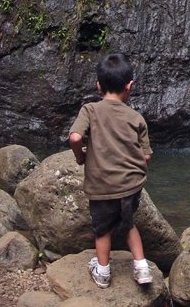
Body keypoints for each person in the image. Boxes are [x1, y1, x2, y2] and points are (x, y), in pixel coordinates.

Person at [69, 53, 153, 288]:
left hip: (102, 186)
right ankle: (142, 267)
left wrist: (80, 156)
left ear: (98, 85)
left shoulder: (90, 110)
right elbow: (146, 155)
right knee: (128, 224)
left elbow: (75, 137)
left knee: (103, 230)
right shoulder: (136, 117)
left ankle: (103, 272)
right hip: (131, 186)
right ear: (130, 86)